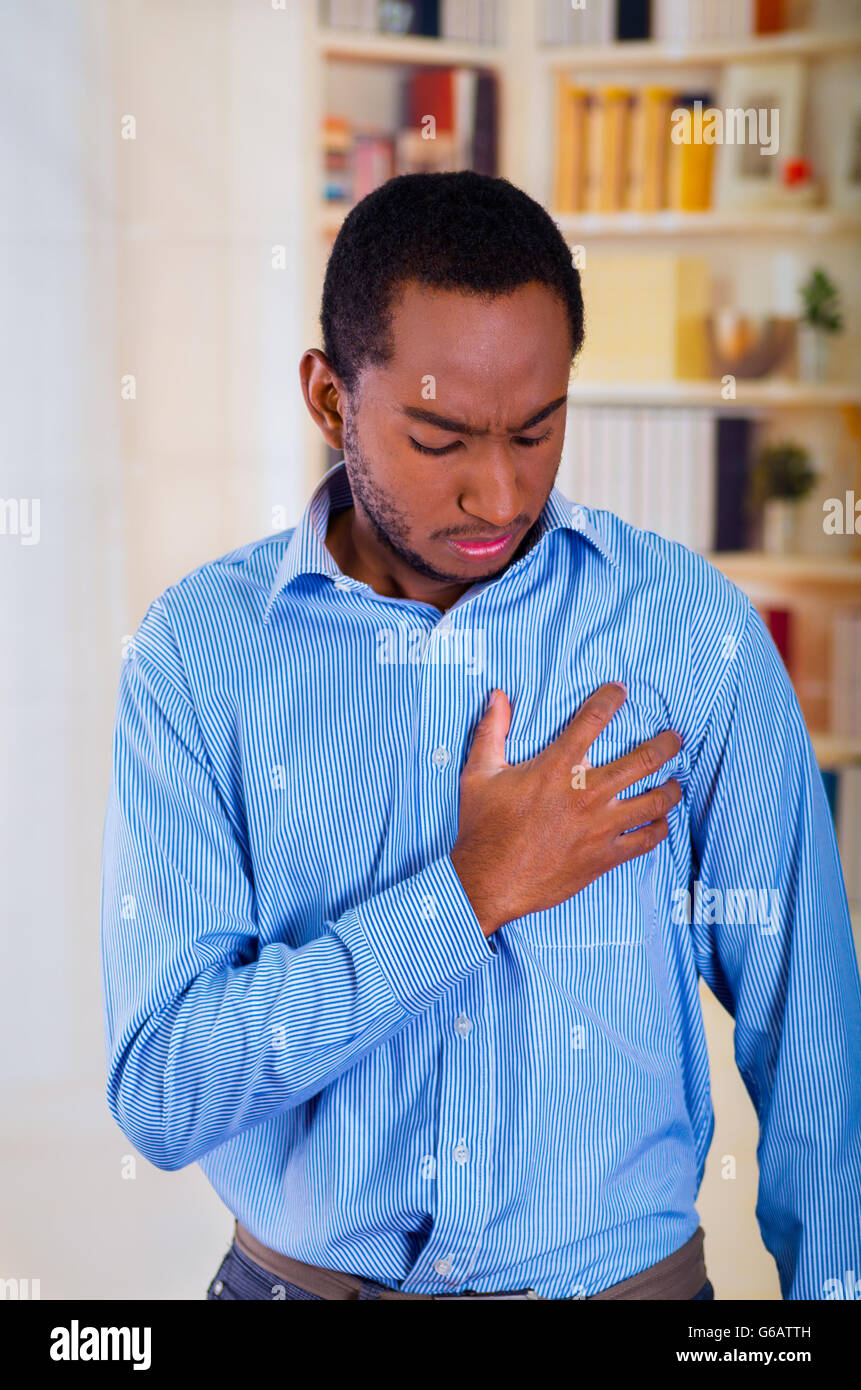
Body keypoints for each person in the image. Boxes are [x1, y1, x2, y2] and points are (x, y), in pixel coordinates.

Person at [101, 171, 861, 1301]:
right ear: (328, 400)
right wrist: (467, 893)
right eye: (441, 437)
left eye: (536, 430)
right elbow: (166, 1091)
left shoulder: (690, 632)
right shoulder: (198, 657)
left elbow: (812, 1043)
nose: (500, 494)